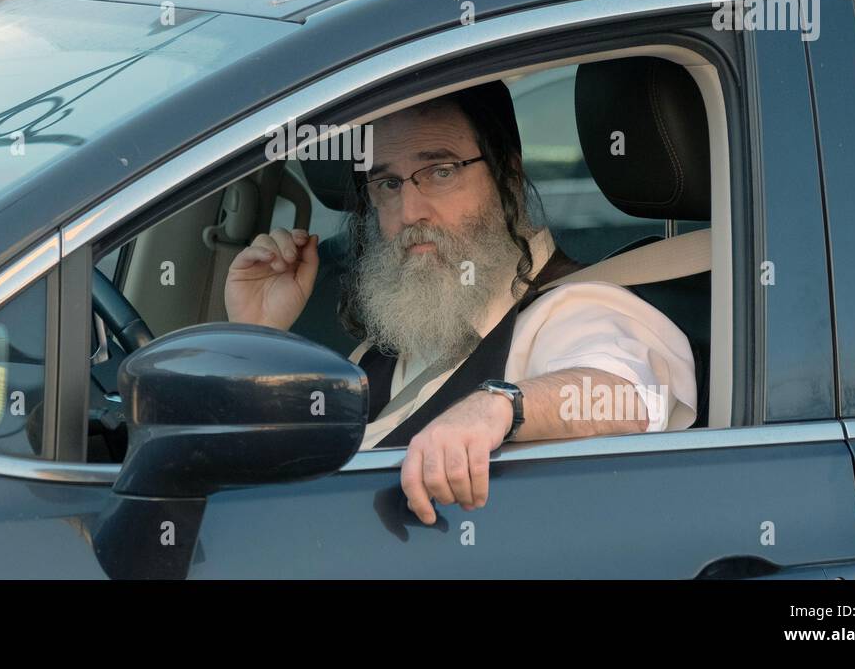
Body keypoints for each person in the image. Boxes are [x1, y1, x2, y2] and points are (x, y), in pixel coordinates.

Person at [225, 80, 696, 525]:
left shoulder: (575, 309)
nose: (411, 212)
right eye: (389, 184)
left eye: (441, 171)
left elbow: (628, 399)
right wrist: (255, 334)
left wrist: (498, 409)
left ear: (507, 176)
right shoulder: (401, 337)